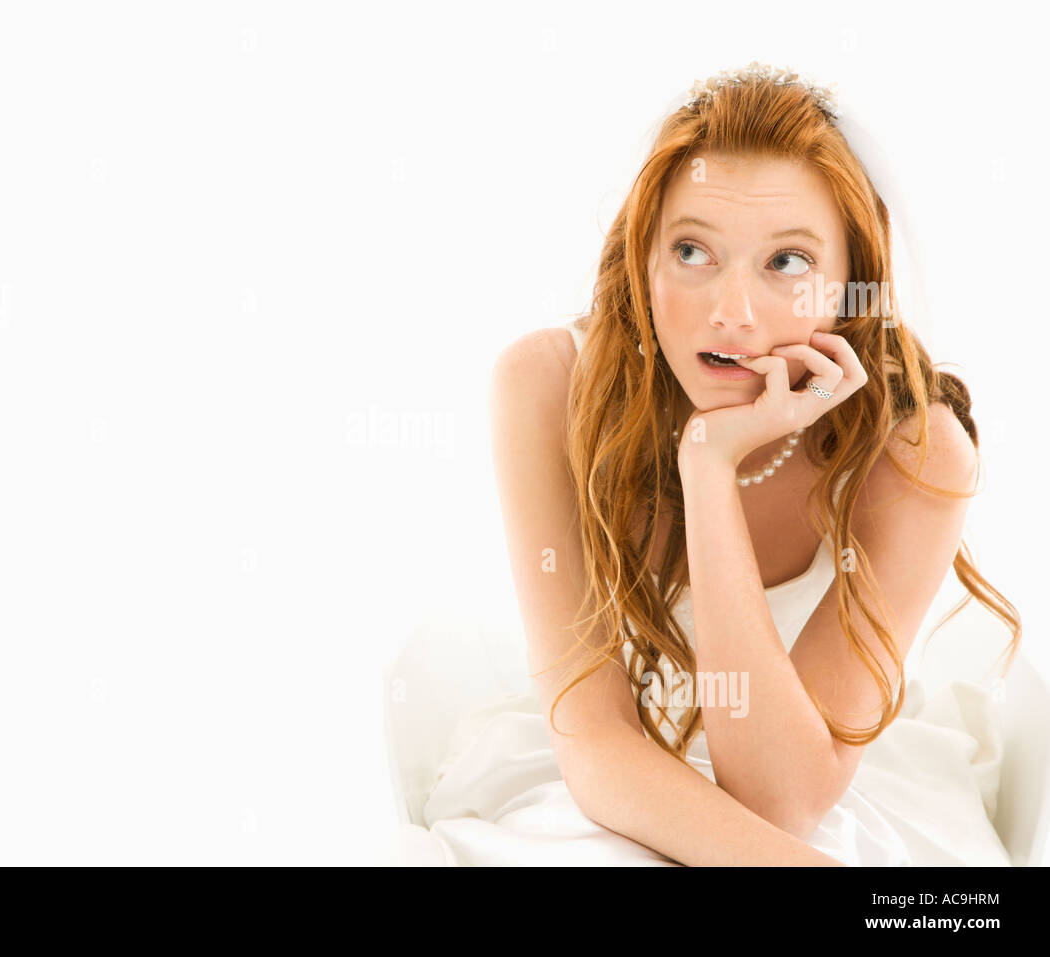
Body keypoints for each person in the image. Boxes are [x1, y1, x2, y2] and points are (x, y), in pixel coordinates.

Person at [417, 63, 1020, 866]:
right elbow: (597, 744)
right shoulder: (548, 387)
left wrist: (706, 466)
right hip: (614, 785)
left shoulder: (914, 455)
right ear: (644, 259)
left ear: (851, 286)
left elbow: (780, 798)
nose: (731, 312)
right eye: (693, 250)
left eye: (787, 262)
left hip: (825, 797)